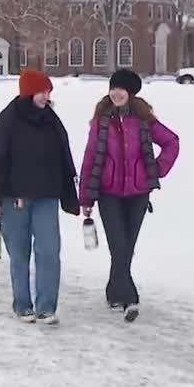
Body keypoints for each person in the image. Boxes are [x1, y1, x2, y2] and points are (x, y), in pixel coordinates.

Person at [78, 69, 179, 323]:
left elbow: (172, 142)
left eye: (121, 89)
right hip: (108, 194)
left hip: (138, 194)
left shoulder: (143, 120)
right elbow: (90, 158)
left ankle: (114, 291)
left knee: (126, 248)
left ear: (130, 93)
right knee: (119, 246)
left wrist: (157, 168)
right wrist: (86, 198)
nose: (116, 93)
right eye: (113, 88)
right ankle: (130, 299)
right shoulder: (101, 121)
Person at [0, 69, 79, 325]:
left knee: (49, 250)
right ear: (28, 92)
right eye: (41, 92)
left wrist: (70, 194)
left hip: (47, 196)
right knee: (19, 253)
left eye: (48, 92)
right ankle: (22, 304)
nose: (46, 96)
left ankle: (46, 307)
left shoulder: (51, 120)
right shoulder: (8, 120)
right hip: (15, 198)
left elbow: (64, 158)